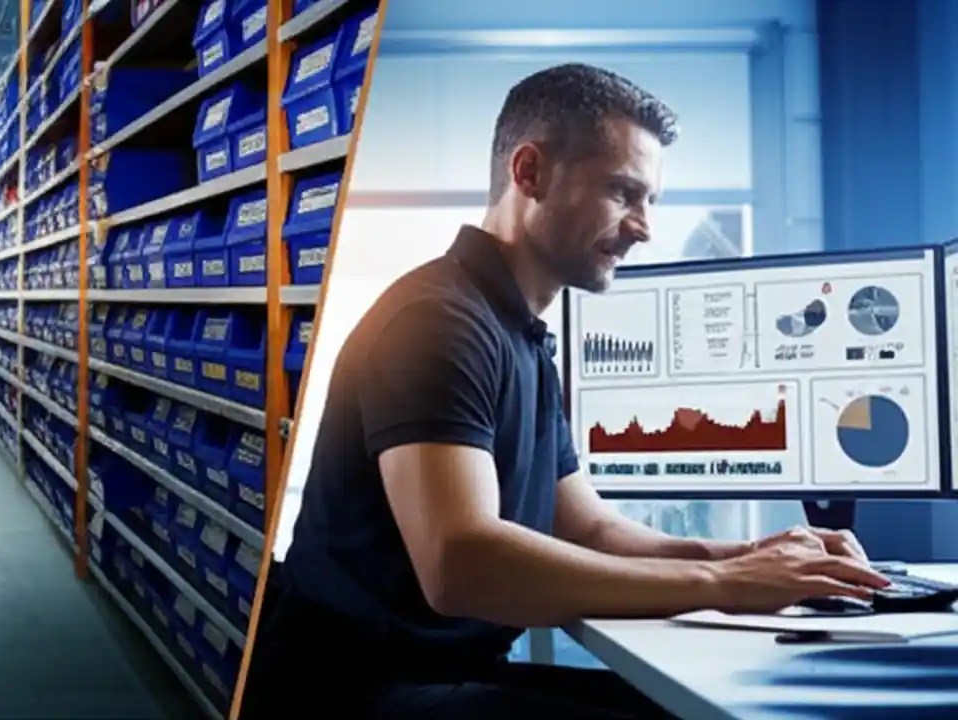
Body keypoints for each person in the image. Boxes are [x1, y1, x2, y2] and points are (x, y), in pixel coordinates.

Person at [237, 63, 889, 720]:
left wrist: (753, 556)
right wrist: (721, 583)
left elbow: (592, 528)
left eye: (650, 201)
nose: (643, 227)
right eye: (622, 193)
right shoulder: (437, 321)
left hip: (437, 674)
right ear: (530, 173)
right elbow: (460, 563)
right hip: (349, 693)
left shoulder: (518, 333)